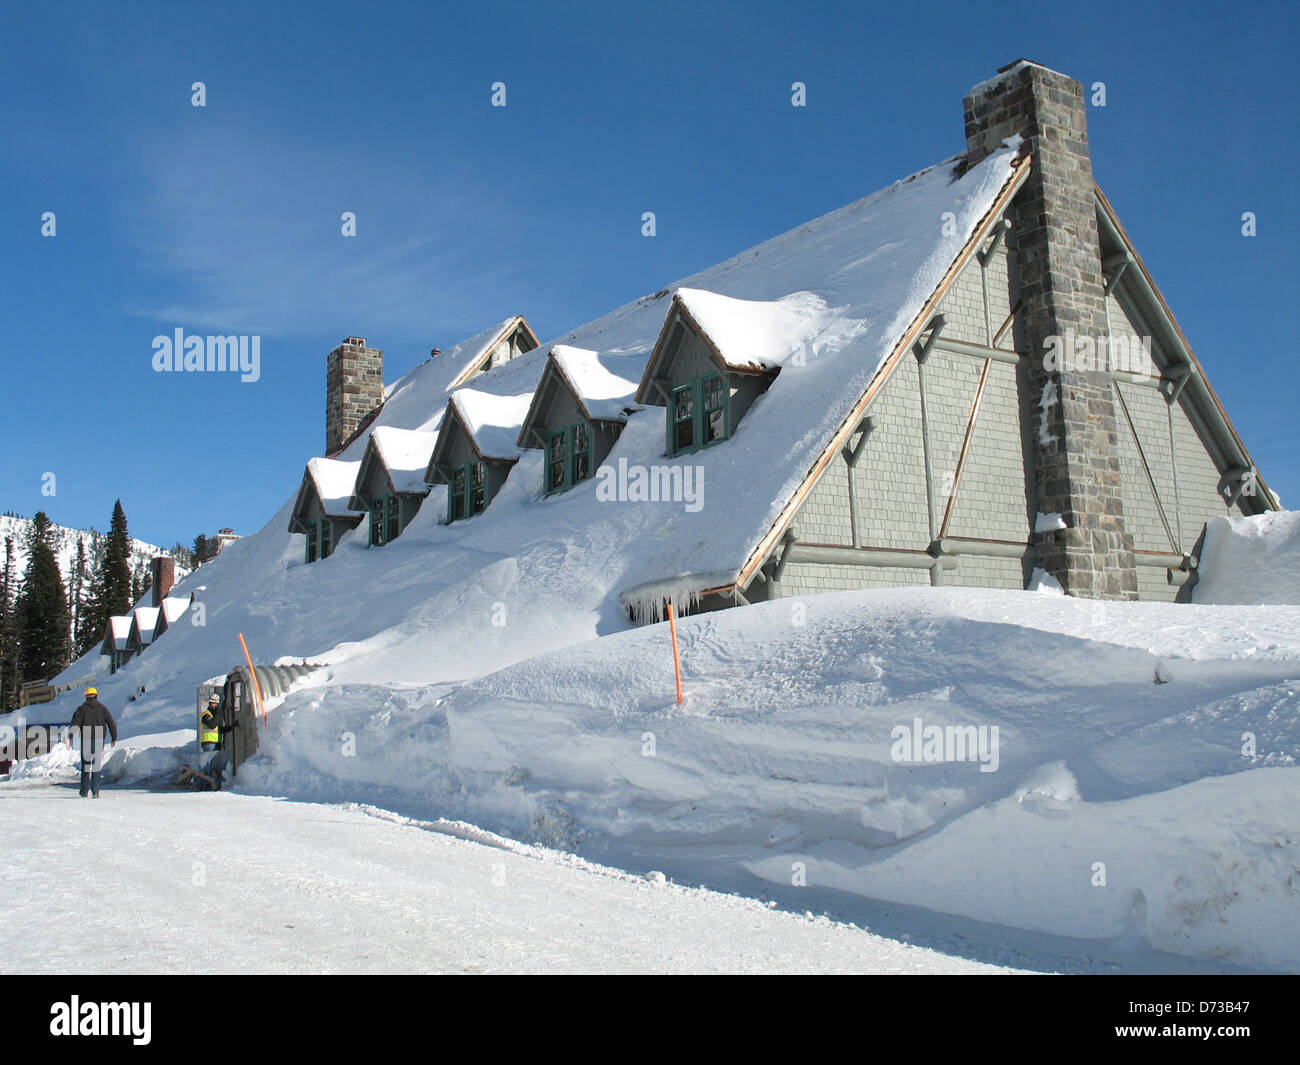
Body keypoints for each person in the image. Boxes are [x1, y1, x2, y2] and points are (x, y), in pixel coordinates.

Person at [69, 686, 117, 798]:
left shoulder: (81, 709)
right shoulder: (102, 708)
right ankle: (95, 791)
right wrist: (114, 738)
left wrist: (69, 736)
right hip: (99, 738)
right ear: (96, 695)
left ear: (86, 696)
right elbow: (111, 723)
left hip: (86, 737)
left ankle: (84, 791)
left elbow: (75, 723)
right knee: (96, 765)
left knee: (86, 765)